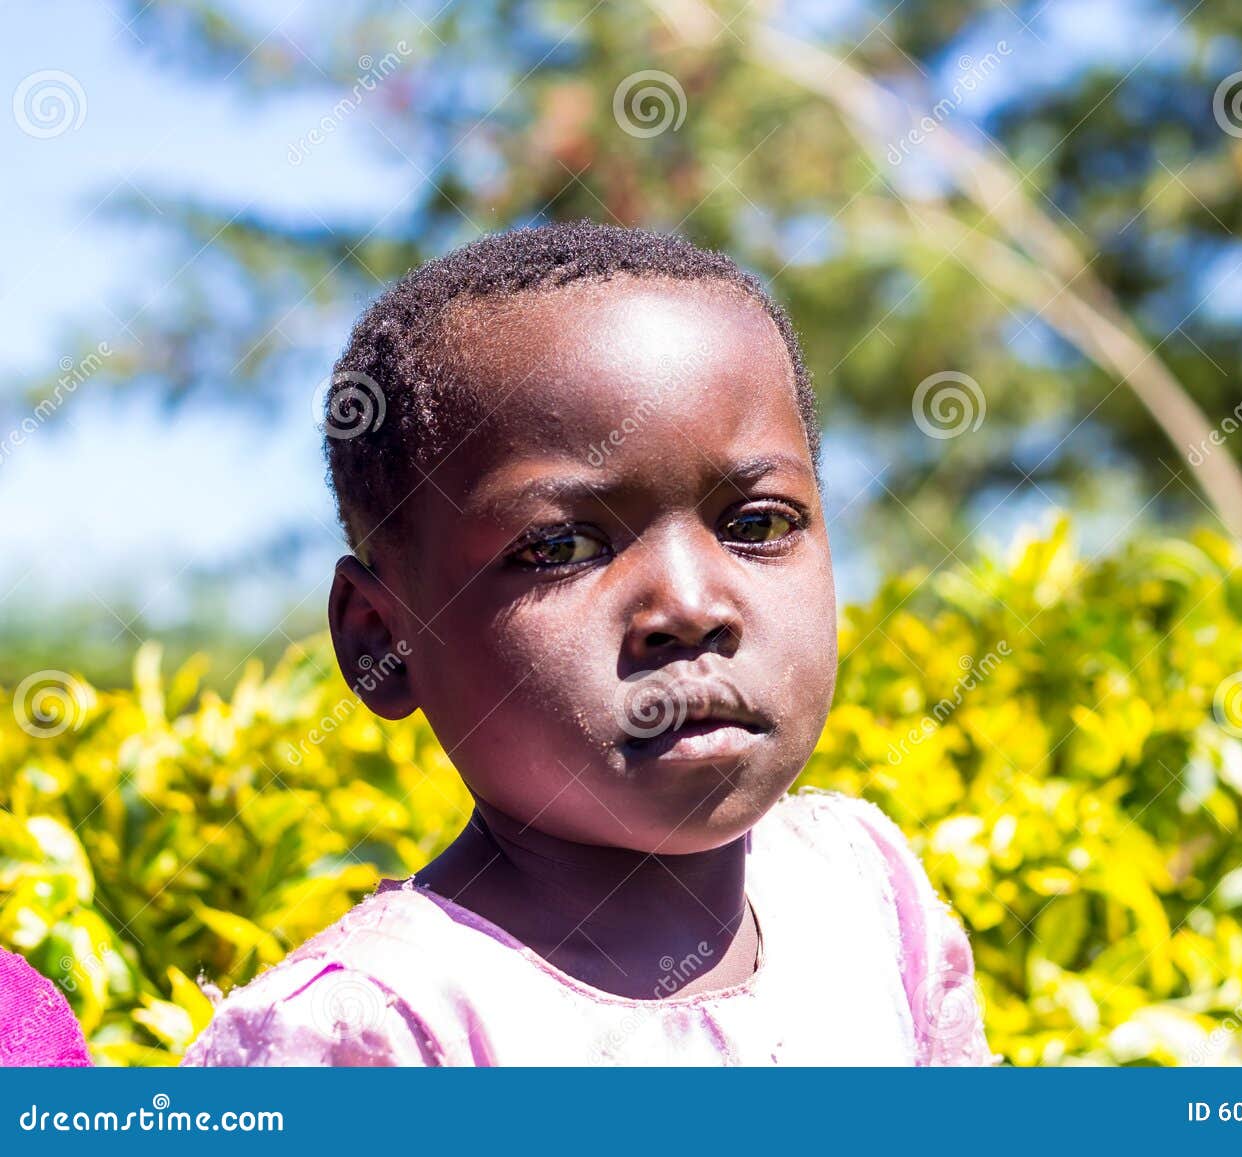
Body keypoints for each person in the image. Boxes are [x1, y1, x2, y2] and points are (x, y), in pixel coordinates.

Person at [182, 220, 993, 1066]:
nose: (688, 605)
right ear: (379, 634)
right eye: (563, 548)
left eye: (755, 523)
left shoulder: (862, 890)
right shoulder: (374, 1032)